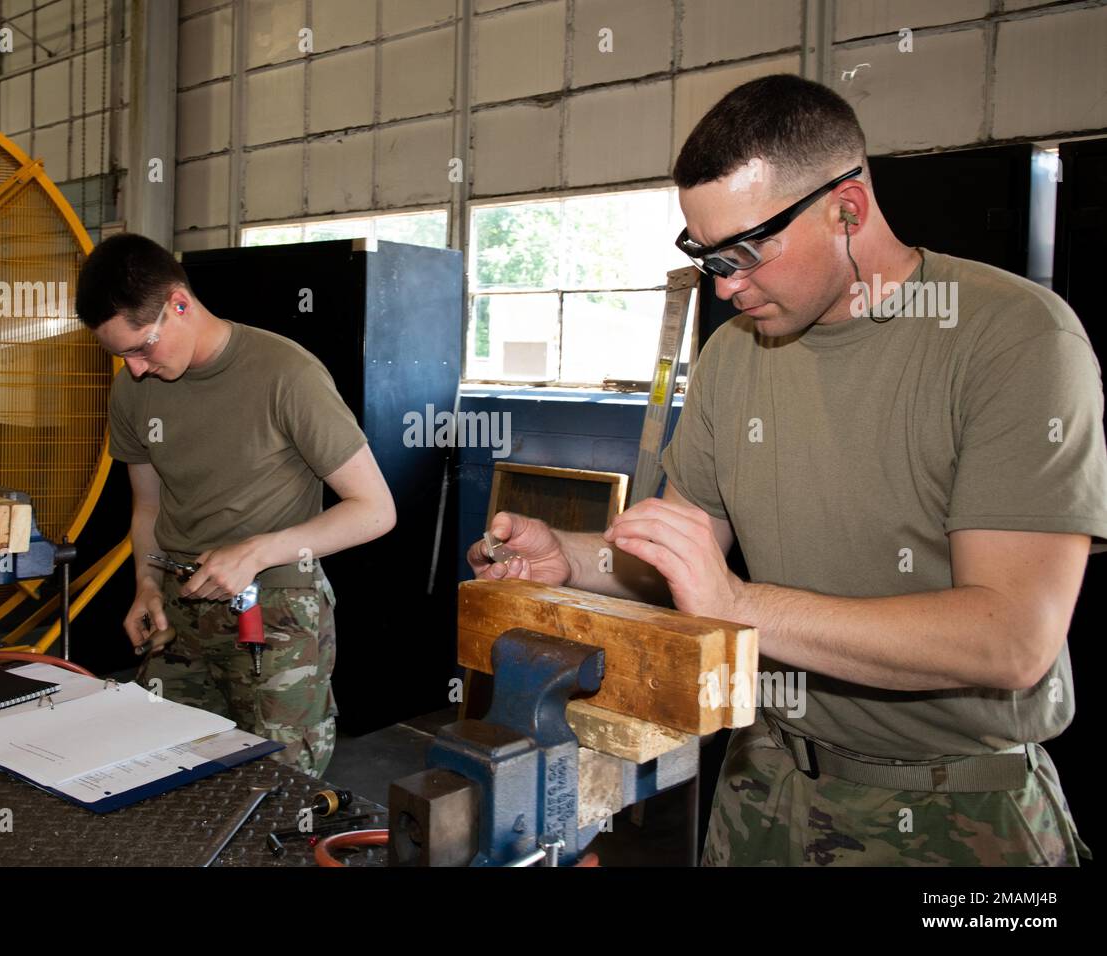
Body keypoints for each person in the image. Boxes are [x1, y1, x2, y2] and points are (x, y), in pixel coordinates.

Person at [468, 74, 1106, 865]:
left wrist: (739, 602)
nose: (728, 286)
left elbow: (1011, 639)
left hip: (952, 811)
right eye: (707, 257)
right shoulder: (735, 356)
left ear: (849, 210)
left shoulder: (1010, 339)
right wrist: (574, 560)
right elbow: (679, 557)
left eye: (746, 252)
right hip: (764, 781)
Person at [77, 233, 396, 777]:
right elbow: (148, 508)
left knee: (279, 786)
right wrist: (147, 586)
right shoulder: (134, 391)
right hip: (180, 611)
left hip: (273, 616)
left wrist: (255, 552)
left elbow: (374, 509)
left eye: (142, 346)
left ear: (179, 303)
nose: (133, 367)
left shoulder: (286, 374)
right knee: (164, 771)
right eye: (121, 354)